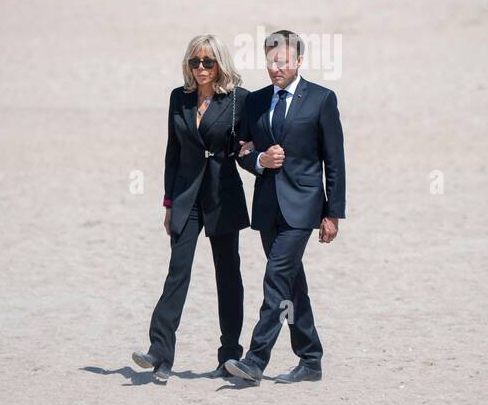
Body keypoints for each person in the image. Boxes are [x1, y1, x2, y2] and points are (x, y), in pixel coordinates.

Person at [225, 29, 345, 384]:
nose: (276, 68)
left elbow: (334, 160)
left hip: (303, 207)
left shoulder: (322, 99)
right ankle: (310, 359)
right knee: (292, 285)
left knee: (276, 279)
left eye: (283, 61)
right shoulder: (256, 101)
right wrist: (261, 160)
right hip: (266, 207)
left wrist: (332, 213)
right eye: (270, 61)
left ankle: (255, 360)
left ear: (299, 61)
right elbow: (241, 151)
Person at [133, 35, 249, 384]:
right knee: (177, 273)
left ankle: (230, 356)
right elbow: (173, 153)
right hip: (185, 197)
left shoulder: (238, 100)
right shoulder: (178, 99)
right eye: (195, 61)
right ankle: (160, 354)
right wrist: (168, 203)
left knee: (228, 277)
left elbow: (249, 145)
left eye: (208, 62)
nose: (201, 68)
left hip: (222, 195)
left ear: (220, 65)